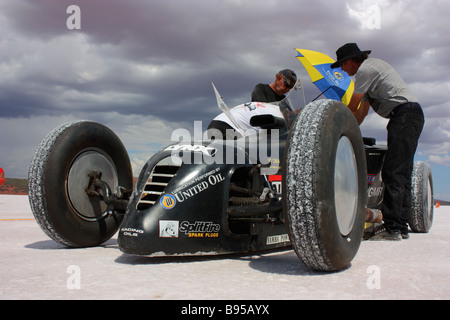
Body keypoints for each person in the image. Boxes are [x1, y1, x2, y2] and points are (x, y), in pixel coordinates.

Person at [331, 43, 425, 241]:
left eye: (342, 65)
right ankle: (400, 226)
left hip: (405, 116)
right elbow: (360, 114)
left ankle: (392, 228)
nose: (342, 70)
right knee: (402, 171)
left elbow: (352, 104)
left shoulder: (365, 70)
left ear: (350, 61)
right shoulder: (368, 77)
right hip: (407, 116)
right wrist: (346, 130)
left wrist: (334, 120)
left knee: (394, 171)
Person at [207, 69, 297, 139]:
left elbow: (289, 118)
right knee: (238, 157)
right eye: (287, 85)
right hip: (227, 125)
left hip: (240, 129)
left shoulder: (284, 100)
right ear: (278, 78)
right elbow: (263, 112)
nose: (288, 90)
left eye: (291, 88)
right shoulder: (261, 88)